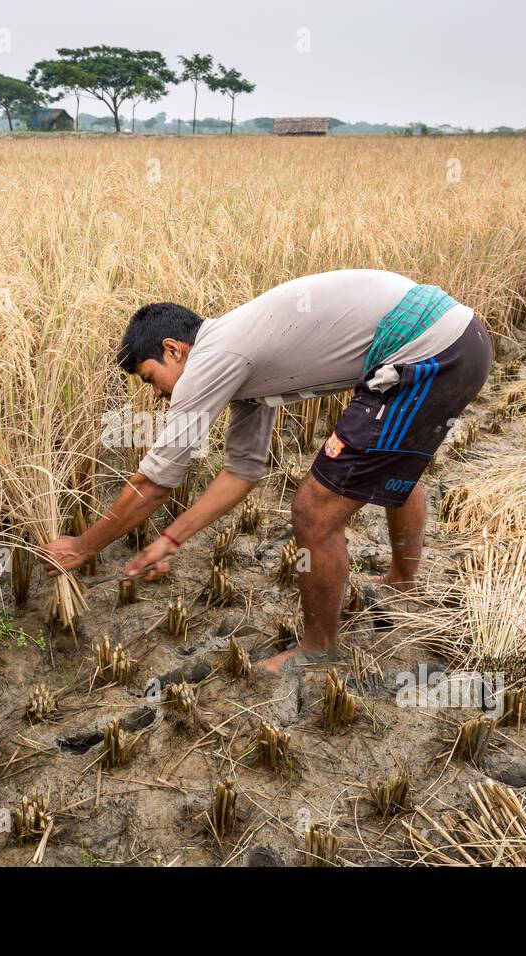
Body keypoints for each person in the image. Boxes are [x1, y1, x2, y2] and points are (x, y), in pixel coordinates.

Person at [44, 269, 493, 673]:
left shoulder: (210, 360)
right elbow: (241, 472)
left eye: (149, 378)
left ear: (173, 349)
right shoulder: (243, 359)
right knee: (392, 463)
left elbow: (154, 482)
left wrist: (83, 546)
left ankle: (318, 649)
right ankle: (402, 582)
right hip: (462, 339)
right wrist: (171, 539)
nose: (158, 395)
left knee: (313, 512)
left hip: (428, 350)